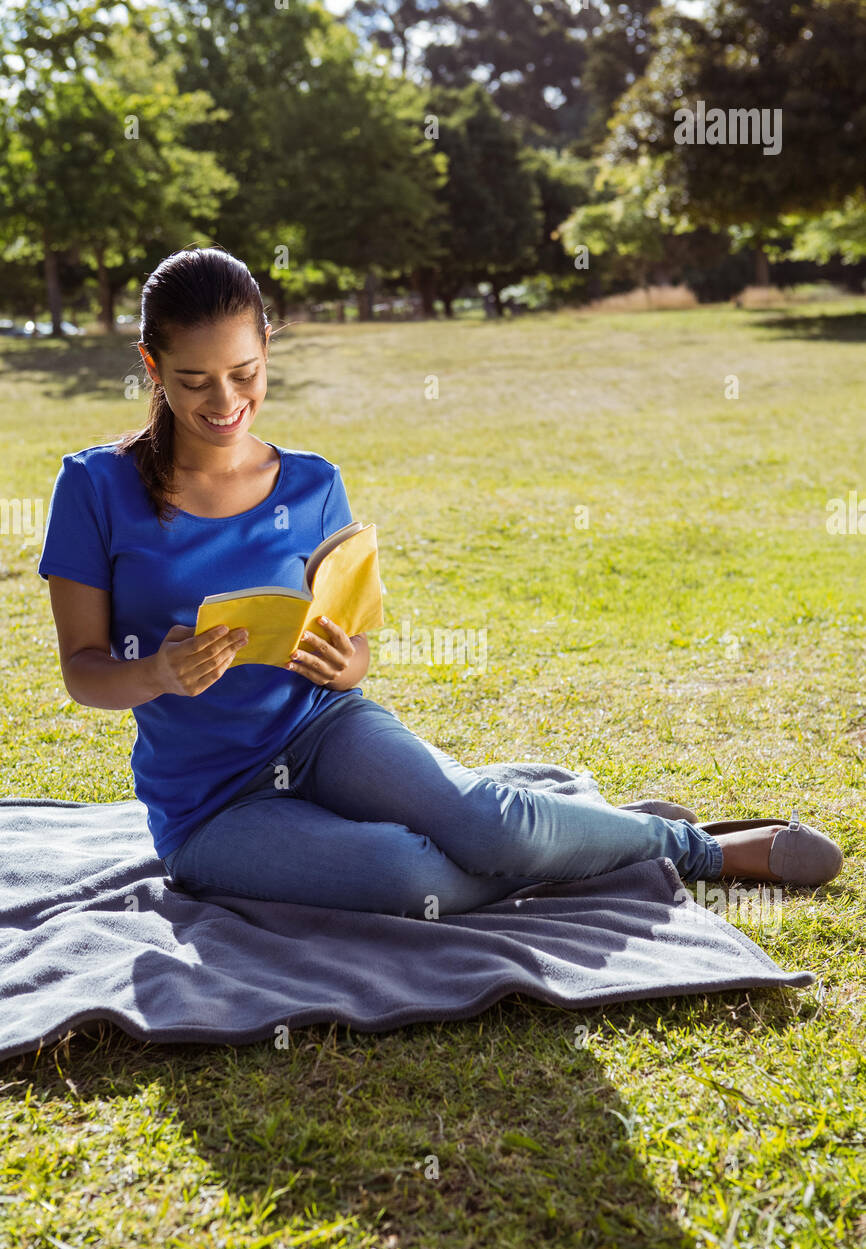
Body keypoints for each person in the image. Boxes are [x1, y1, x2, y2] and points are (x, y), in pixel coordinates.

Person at [37, 247, 843, 919]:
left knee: (487, 828)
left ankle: (696, 848)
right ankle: (588, 837)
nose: (225, 401)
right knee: (410, 876)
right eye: (194, 380)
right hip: (212, 809)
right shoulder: (94, 489)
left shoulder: (313, 483)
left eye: (244, 373)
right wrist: (158, 673)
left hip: (324, 732)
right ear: (152, 366)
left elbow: (351, 649)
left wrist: (339, 664)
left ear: (267, 352)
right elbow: (83, 670)